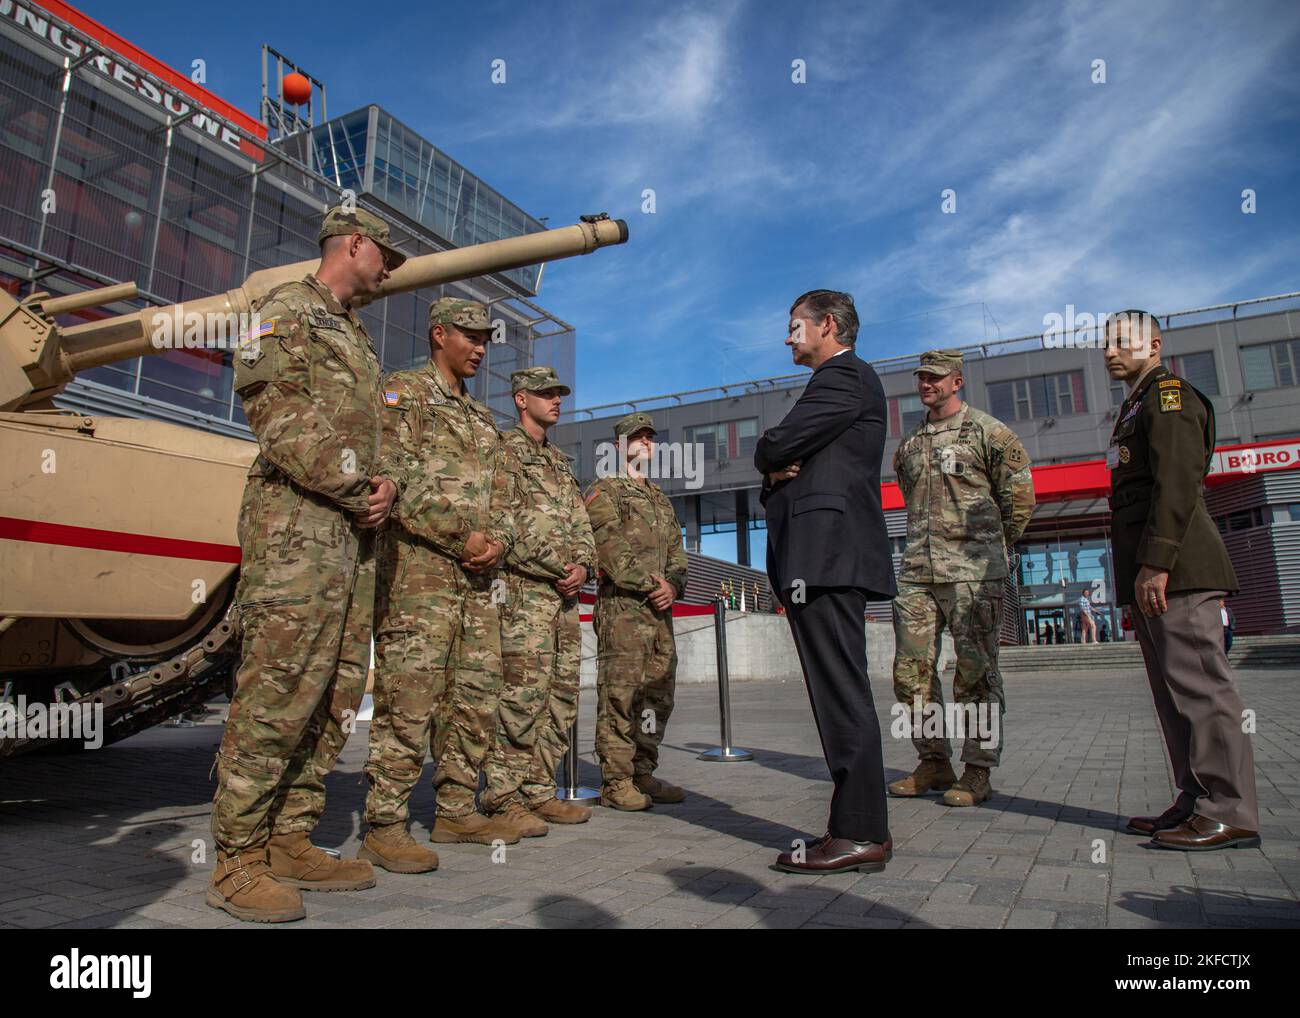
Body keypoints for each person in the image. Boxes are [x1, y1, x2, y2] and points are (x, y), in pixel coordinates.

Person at [209, 206, 405, 923]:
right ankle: (235, 858)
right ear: (354, 243)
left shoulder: (354, 335)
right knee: (277, 691)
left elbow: (373, 442)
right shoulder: (283, 309)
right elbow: (280, 416)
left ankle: (290, 837)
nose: (390, 270)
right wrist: (361, 487)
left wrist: (388, 489)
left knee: (333, 694)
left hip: (350, 540)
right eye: (386, 254)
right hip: (297, 535)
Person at [361, 297, 521, 864]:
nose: (480, 348)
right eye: (470, 337)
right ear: (439, 335)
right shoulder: (402, 392)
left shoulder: (482, 419)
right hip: (418, 577)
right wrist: (463, 537)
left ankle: (455, 811)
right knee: (410, 698)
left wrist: (498, 539)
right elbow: (394, 475)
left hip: (477, 582)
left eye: (485, 340)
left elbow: (503, 496)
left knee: (474, 697)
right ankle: (384, 824)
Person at [1103, 310, 1260, 851]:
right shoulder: (1137, 404)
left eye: (1123, 342)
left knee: (1202, 689)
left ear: (1154, 344)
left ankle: (1230, 809)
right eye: (1106, 343)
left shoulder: (1170, 396)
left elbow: (1177, 481)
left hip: (1180, 571)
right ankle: (1194, 799)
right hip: (1155, 573)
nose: (1109, 352)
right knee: (1173, 694)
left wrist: (1158, 562)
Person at [754, 289, 897, 874]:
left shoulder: (842, 378)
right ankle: (855, 826)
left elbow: (778, 445)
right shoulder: (837, 384)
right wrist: (779, 466)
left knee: (841, 690)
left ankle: (860, 830)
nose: (788, 338)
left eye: (795, 327)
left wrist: (772, 455)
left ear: (828, 326)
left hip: (829, 559)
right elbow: (787, 461)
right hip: (823, 560)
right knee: (836, 689)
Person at [887, 349, 1035, 807]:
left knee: (975, 675)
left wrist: (991, 550)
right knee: (911, 674)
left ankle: (977, 770)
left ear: (957, 382)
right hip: (916, 573)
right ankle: (933, 761)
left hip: (974, 574)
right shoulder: (909, 446)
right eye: (921, 377)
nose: (926, 384)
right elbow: (912, 498)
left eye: (935, 377)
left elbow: (1020, 497)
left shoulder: (989, 433)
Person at [480, 367, 597, 827]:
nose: (557, 400)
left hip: (565, 600)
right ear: (521, 399)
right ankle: (502, 796)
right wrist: (557, 567)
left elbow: (582, 528)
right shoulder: (504, 451)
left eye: (559, 394)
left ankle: (538, 788)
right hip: (525, 594)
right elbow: (502, 523)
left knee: (562, 694)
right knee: (521, 696)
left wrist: (583, 566)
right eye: (546, 394)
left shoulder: (561, 464)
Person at [585, 413, 689, 810]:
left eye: (650, 437)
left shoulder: (660, 499)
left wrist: (673, 585)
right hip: (624, 610)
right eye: (636, 437)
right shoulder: (605, 491)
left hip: (660, 612)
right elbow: (609, 548)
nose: (645, 442)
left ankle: (643, 772)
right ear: (618, 447)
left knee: (657, 695)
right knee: (620, 695)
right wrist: (652, 584)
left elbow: (678, 554)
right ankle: (616, 780)